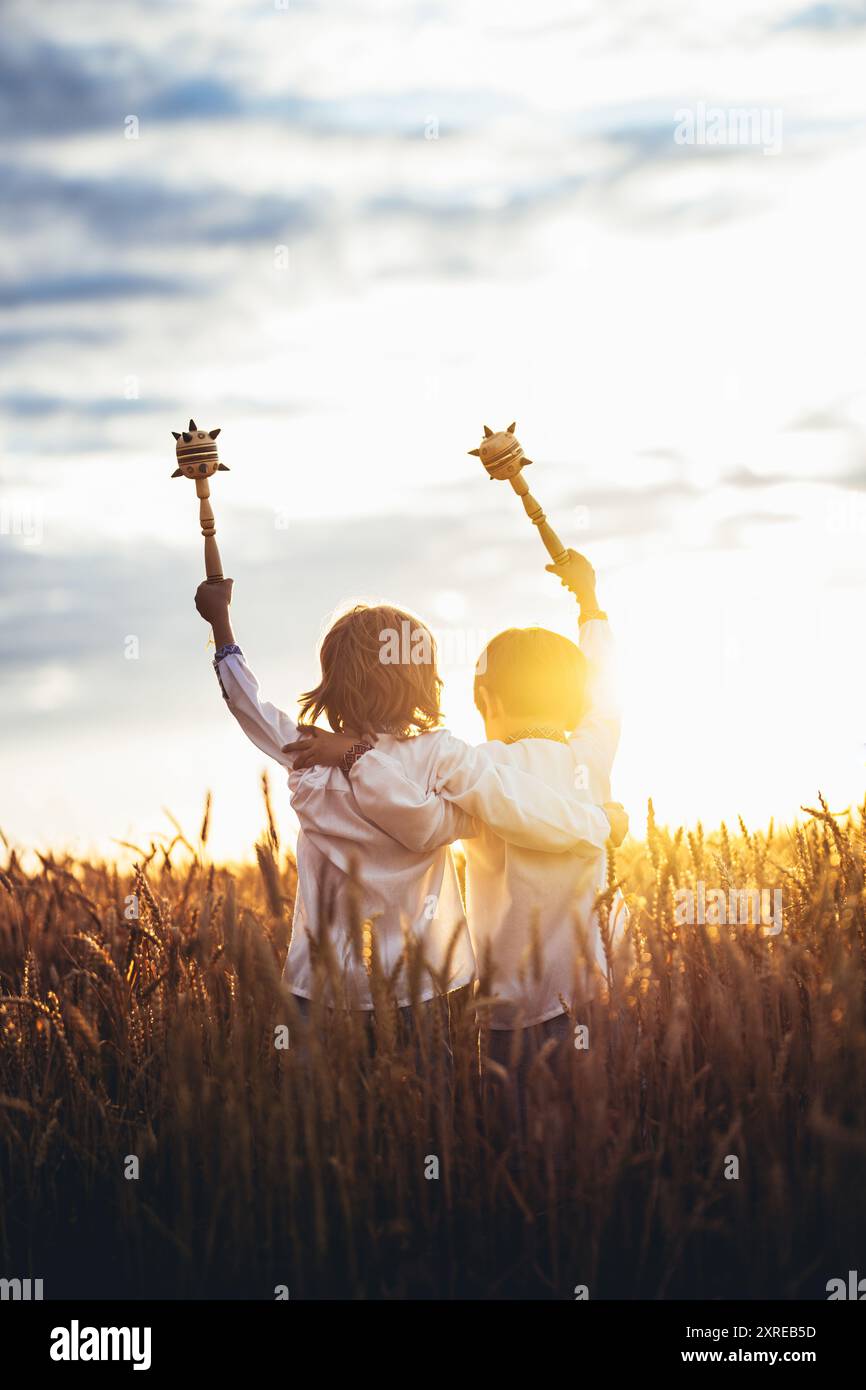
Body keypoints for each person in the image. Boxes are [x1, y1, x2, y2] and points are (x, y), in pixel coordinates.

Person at [194, 581, 621, 1044]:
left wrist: (222, 624)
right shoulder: (441, 755)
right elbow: (515, 804)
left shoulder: (311, 753)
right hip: (425, 987)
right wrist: (598, 822)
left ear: (333, 683)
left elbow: (247, 706)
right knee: (424, 1112)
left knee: (320, 1113)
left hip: (320, 987)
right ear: (423, 681)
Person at [284, 547, 629, 1096]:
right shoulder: (592, 753)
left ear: (486, 699)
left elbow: (421, 802)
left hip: (508, 1006)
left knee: (515, 1129)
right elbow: (606, 695)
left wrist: (354, 752)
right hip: (595, 983)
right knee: (592, 1117)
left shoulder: (478, 767)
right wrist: (590, 605)